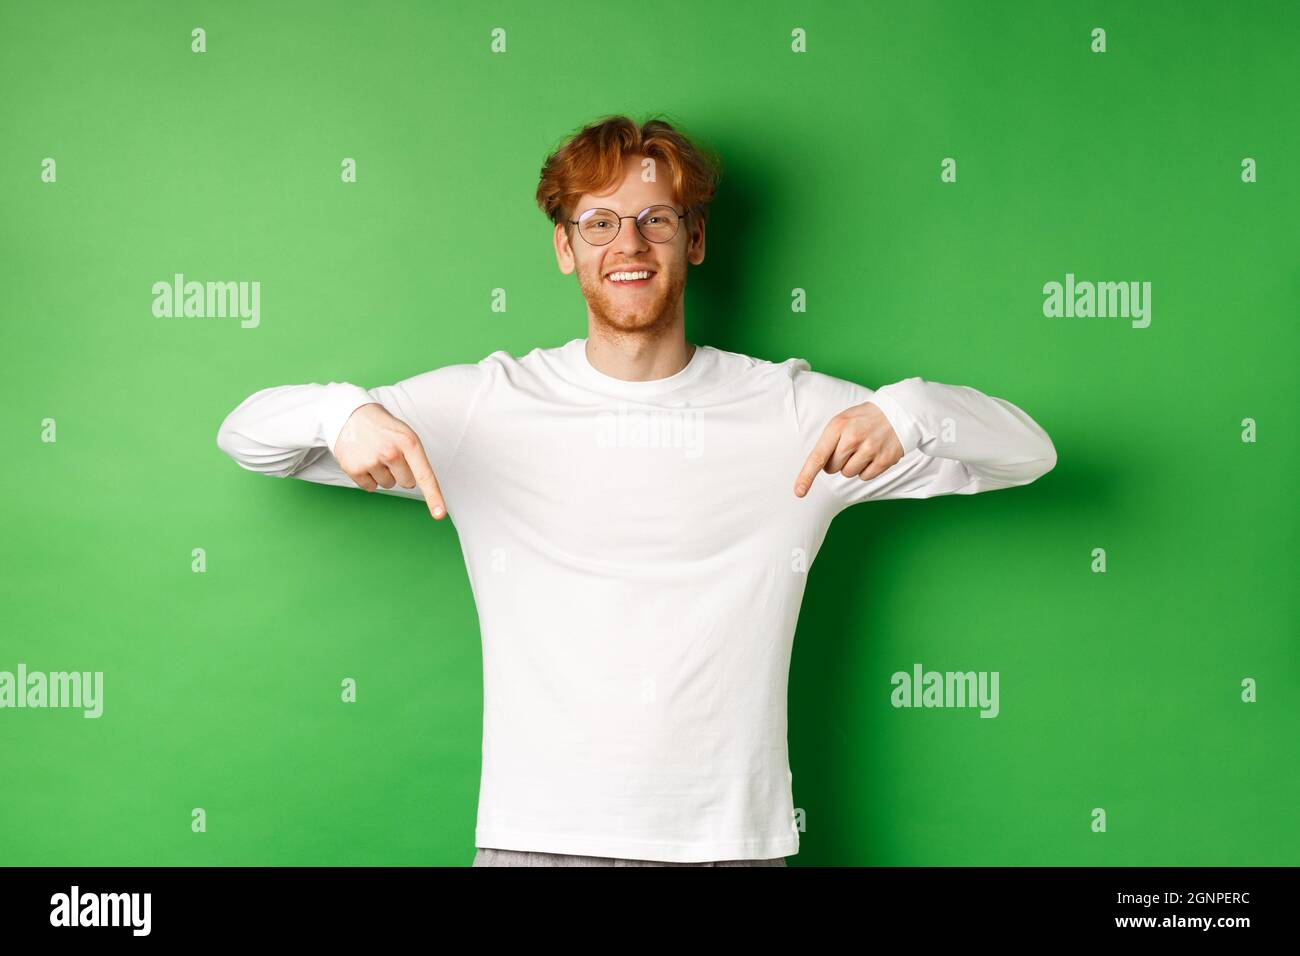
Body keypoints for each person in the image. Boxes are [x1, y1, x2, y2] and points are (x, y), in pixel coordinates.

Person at [216, 114, 1057, 867]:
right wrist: (342, 413)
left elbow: (1027, 452)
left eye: (656, 219)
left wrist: (909, 412)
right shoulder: (486, 407)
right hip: (535, 842)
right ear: (565, 247)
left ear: (694, 239)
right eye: (600, 222)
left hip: (732, 847)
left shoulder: (792, 411)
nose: (629, 244)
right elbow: (248, 437)